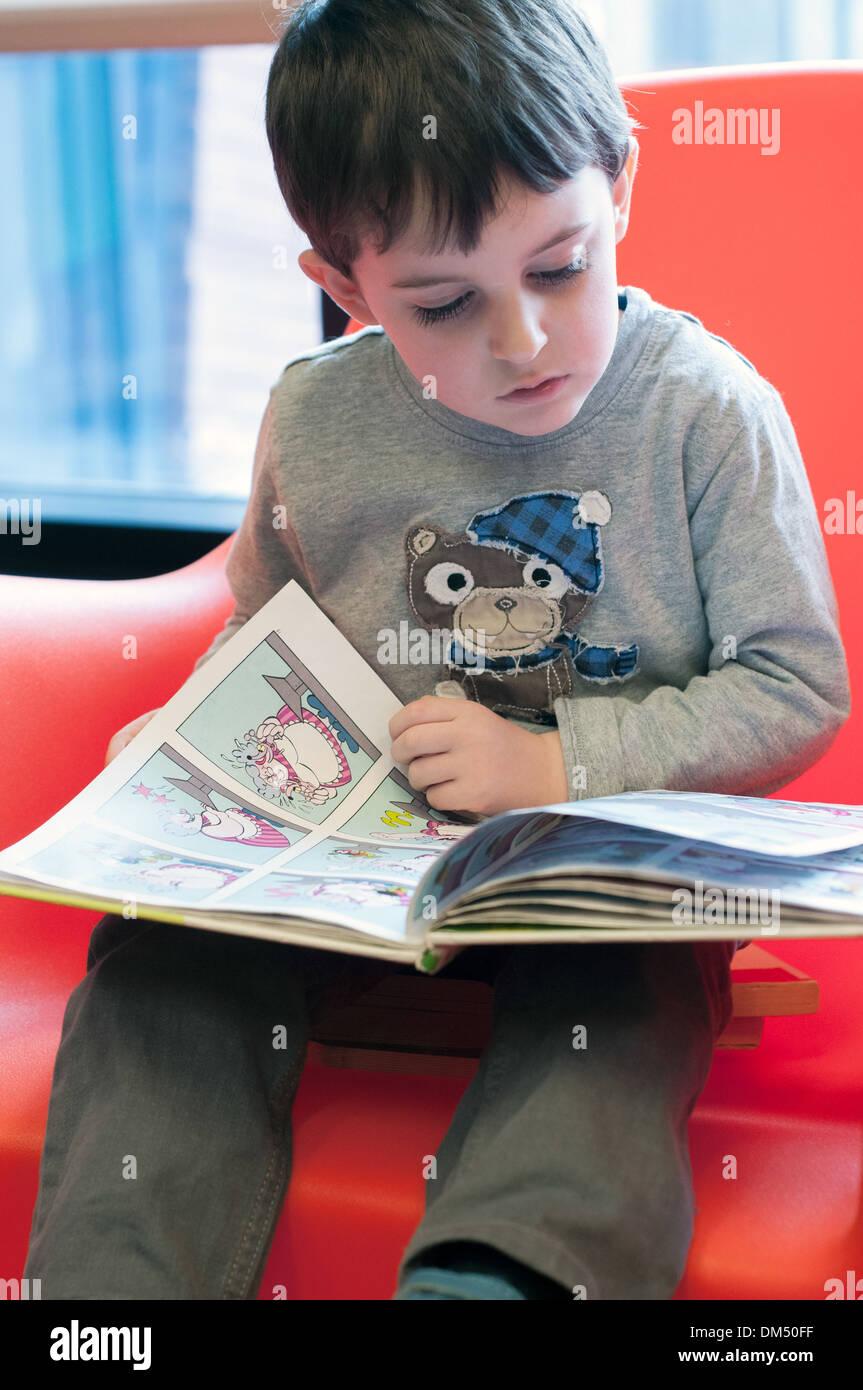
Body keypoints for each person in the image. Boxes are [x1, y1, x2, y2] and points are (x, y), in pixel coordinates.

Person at [23, 0, 849, 1301]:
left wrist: (553, 763)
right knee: (158, 956)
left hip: (581, 873)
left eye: (560, 267)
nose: (521, 341)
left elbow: (797, 685)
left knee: (629, 990)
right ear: (344, 286)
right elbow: (263, 624)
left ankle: (494, 1276)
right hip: (348, 875)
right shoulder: (315, 416)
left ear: (621, 182)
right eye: (444, 302)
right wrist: (192, 735)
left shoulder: (706, 418)